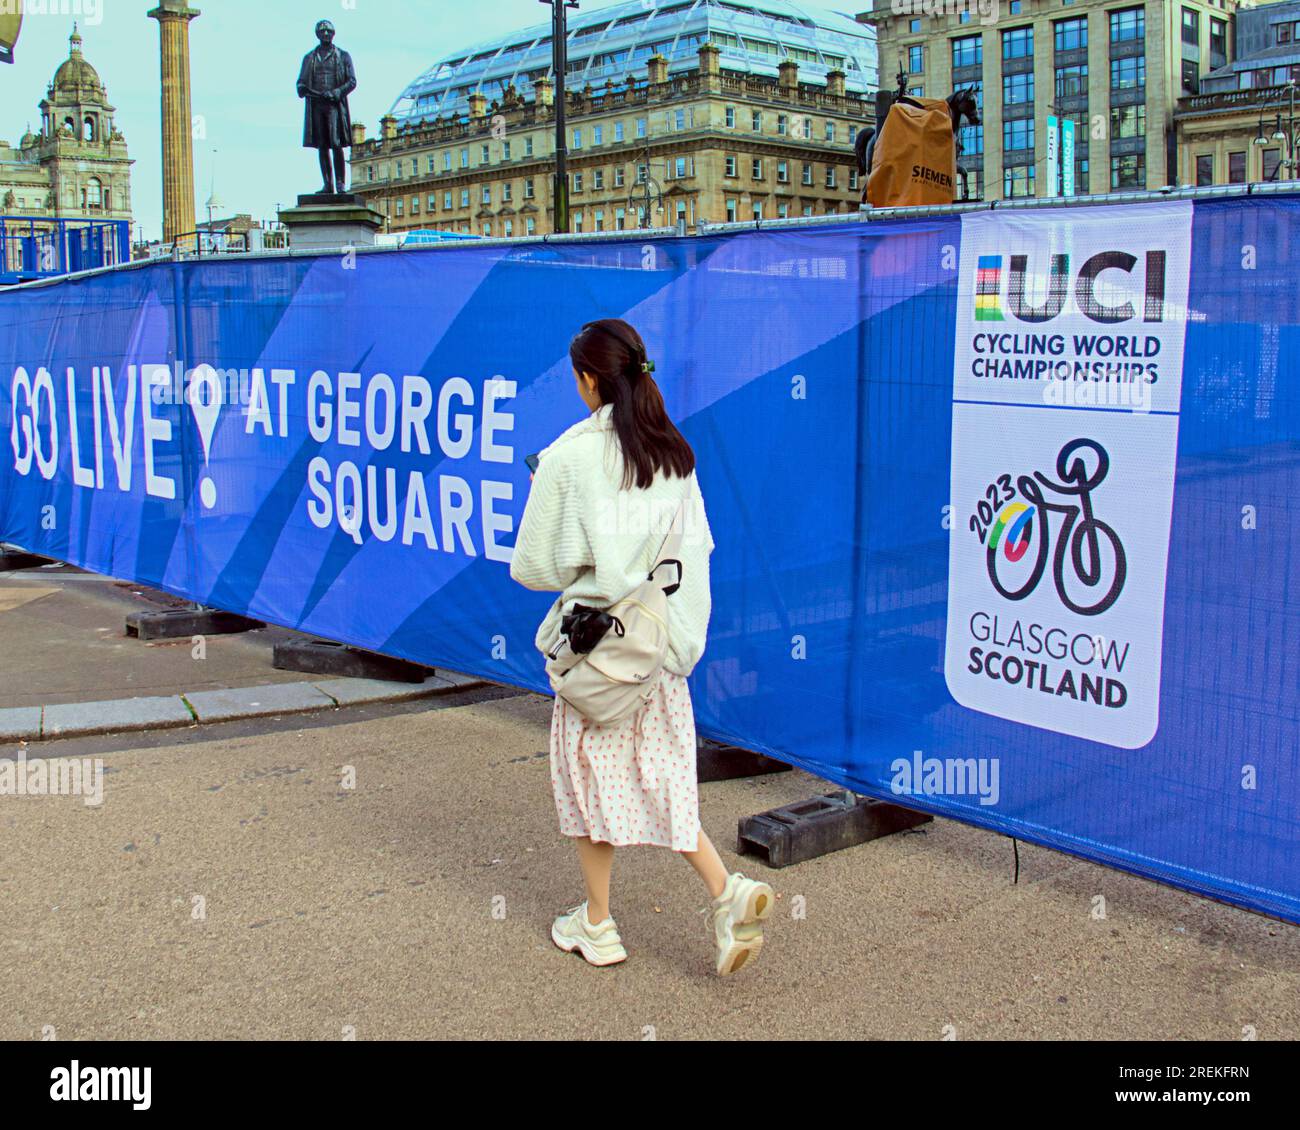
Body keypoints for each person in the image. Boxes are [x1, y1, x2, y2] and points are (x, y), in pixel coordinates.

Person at [510, 318, 774, 976]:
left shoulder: (567, 457)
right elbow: (698, 551)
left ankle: (598, 924)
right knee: (662, 783)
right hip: (658, 652)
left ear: (588, 380)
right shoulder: (673, 454)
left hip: (599, 655)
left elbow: (532, 568)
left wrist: (591, 567)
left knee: (585, 782)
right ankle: (726, 892)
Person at [296, 19, 356, 195]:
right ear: (317, 34)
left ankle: (340, 184)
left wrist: (337, 92)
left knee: (336, 144)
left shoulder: (343, 55)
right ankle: (327, 184)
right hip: (317, 106)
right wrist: (303, 89)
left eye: (329, 31)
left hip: (335, 106)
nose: (326, 34)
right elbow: (301, 83)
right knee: (322, 145)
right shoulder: (310, 58)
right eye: (322, 32)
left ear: (333, 33)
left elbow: (352, 81)